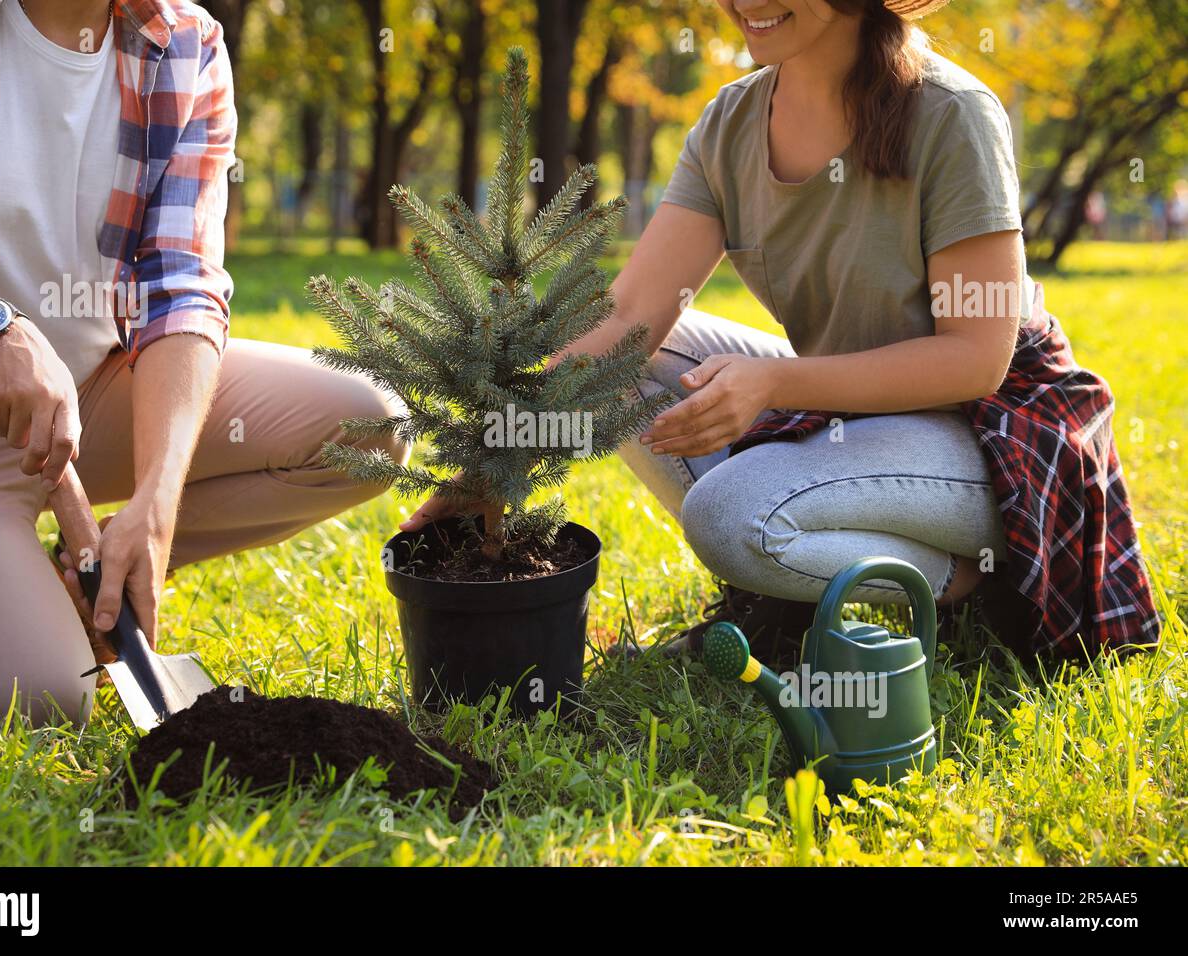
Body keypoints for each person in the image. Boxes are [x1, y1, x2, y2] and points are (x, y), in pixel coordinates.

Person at [403, 0, 1159, 665]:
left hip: (993, 429)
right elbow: (631, 318)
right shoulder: (730, 124)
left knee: (732, 517)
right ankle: (796, 586)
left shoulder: (952, 113)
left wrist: (775, 381)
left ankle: (981, 579)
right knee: (638, 358)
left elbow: (976, 357)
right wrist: (492, 461)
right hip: (858, 410)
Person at [0, 0, 407, 733]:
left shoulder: (183, 43)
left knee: (366, 427)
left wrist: (156, 507)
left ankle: (88, 566)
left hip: (87, 399)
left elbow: (181, 289)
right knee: (38, 697)